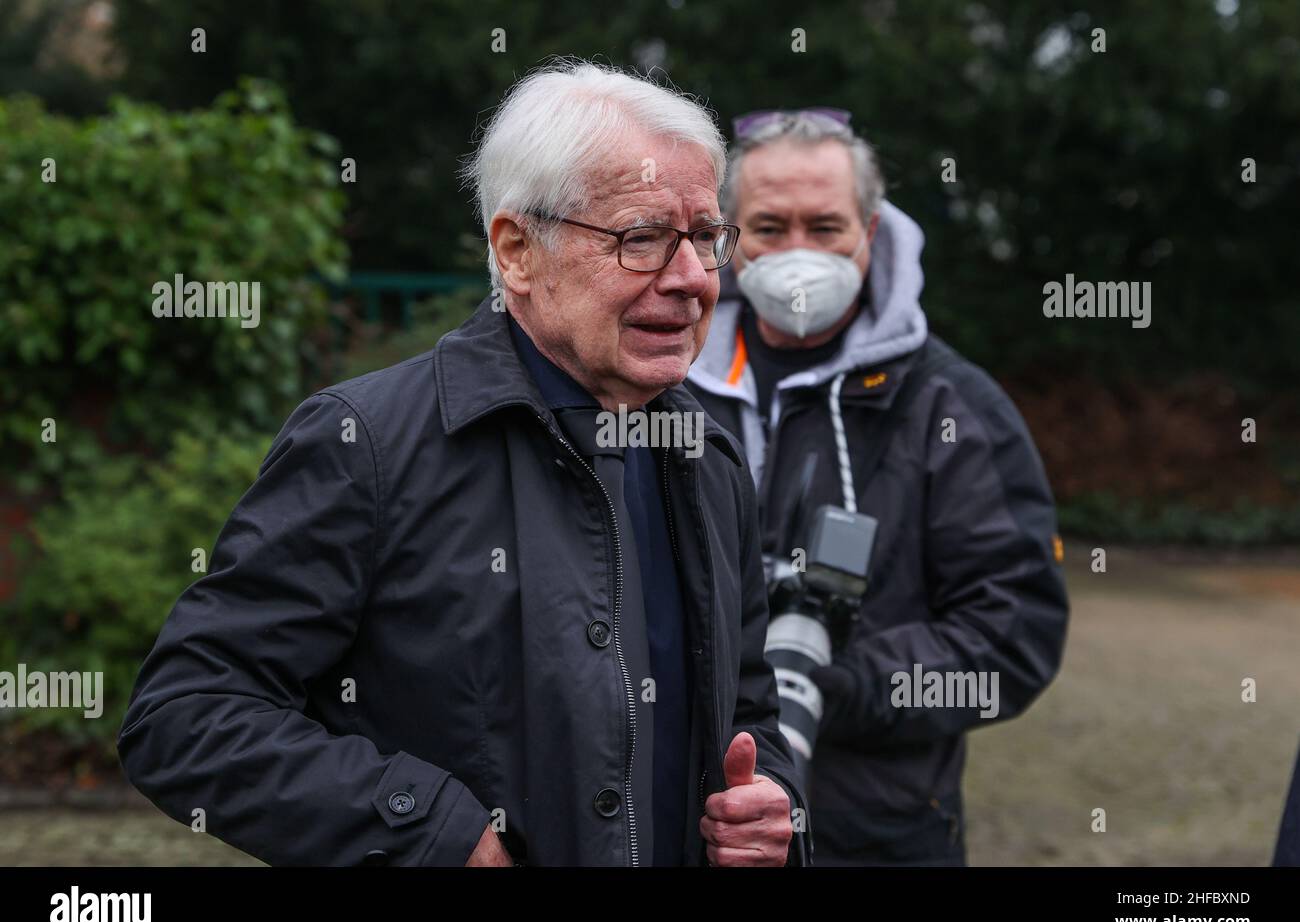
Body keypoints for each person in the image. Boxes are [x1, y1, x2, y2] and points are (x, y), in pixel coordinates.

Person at [117, 61, 810, 867]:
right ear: (516, 251)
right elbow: (184, 717)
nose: (692, 279)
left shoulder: (709, 454)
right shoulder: (366, 444)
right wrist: (434, 834)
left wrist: (776, 803)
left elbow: (748, 709)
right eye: (643, 239)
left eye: (705, 237)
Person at [685, 108, 1069, 865]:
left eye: (825, 227)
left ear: (870, 229)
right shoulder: (665, 387)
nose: (798, 252)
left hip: (874, 831)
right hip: (688, 818)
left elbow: (1015, 632)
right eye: (769, 226)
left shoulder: (949, 406)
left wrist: (837, 685)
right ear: (727, 237)